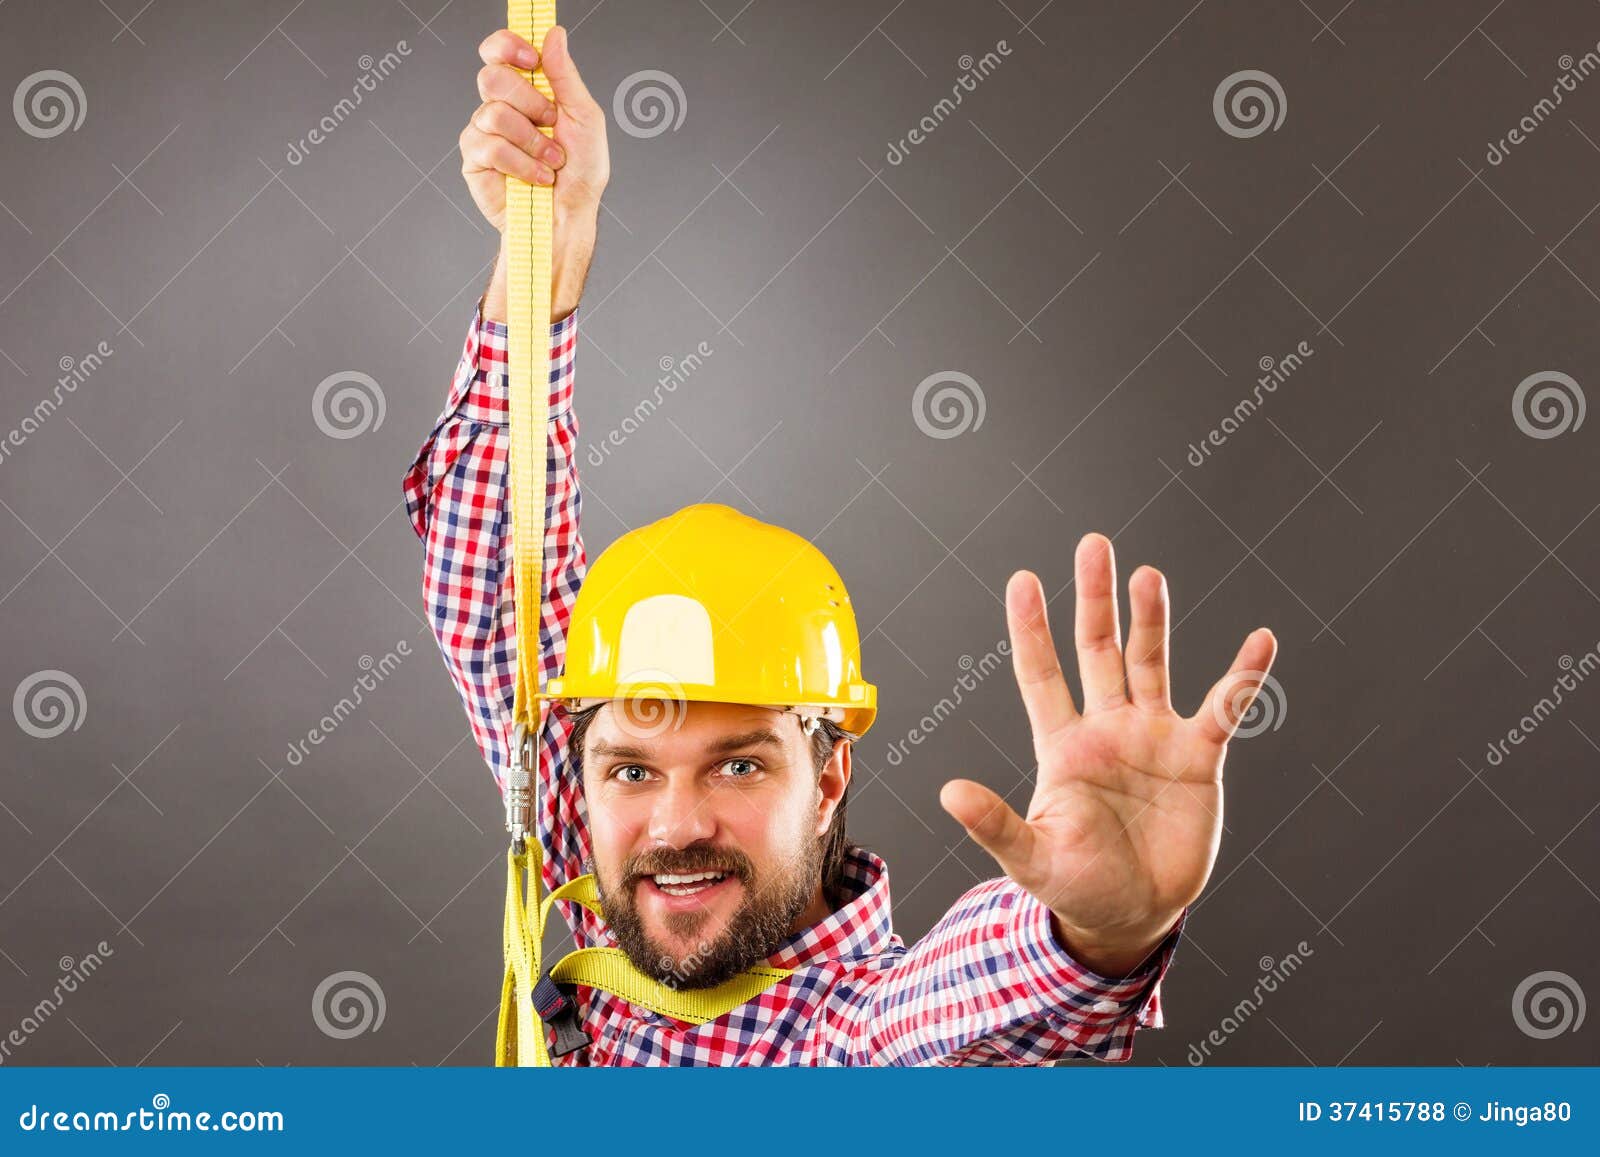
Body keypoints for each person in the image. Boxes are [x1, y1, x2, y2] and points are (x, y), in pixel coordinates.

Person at [402, 26, 1279, 1065]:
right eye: (631, 770)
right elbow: (491, 581)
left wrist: (1096, 936)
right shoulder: (611, 860)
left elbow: (942, 1017)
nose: (675, 826)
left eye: (738, 763)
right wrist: (546, 241)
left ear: (826, 780)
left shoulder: (847, 1038)